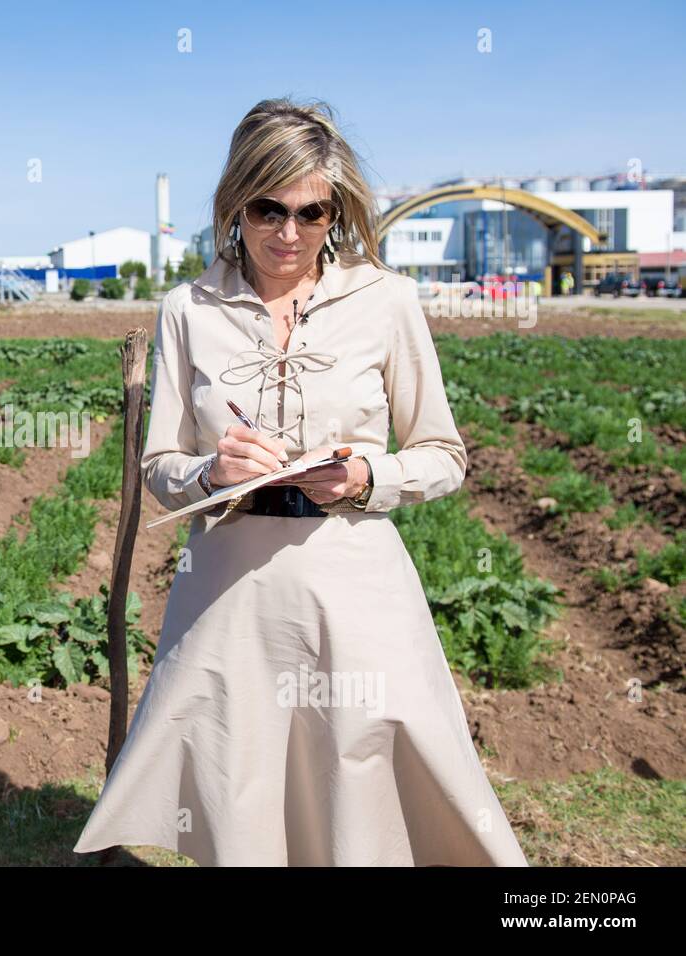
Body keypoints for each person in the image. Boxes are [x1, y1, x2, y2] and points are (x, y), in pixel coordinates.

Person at [73, 99, 528, 866]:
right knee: (237, 783)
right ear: (235, 203)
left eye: (313, 213)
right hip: (228, 592)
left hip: (355, 583)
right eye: (268, 209)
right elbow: (160, 467)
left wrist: (363, 474)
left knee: (356, 774)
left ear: (337, 211)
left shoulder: (387, 302)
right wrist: (211, 471)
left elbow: (443, 453)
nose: (289, 234)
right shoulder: (189, 308)